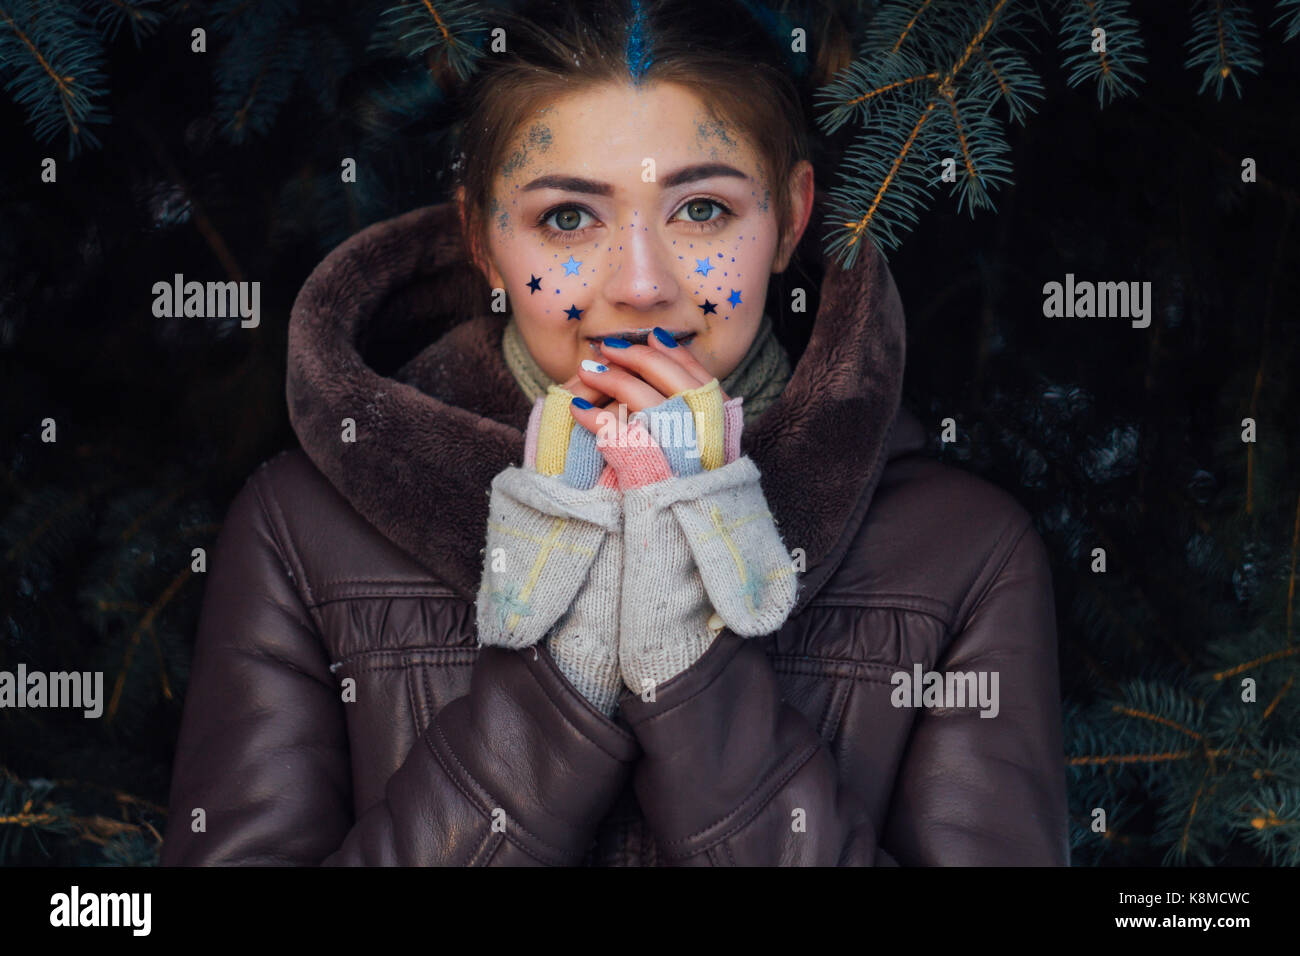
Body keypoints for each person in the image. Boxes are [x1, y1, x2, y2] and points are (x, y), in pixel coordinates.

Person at [161, 0, 1068, 866]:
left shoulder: (964, 555)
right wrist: (559, 688)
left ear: (790, 217)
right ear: (483, 236)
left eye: (701, 209)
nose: (639, 285)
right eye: (567, 218)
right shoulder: (300, 532)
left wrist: (694, 680)